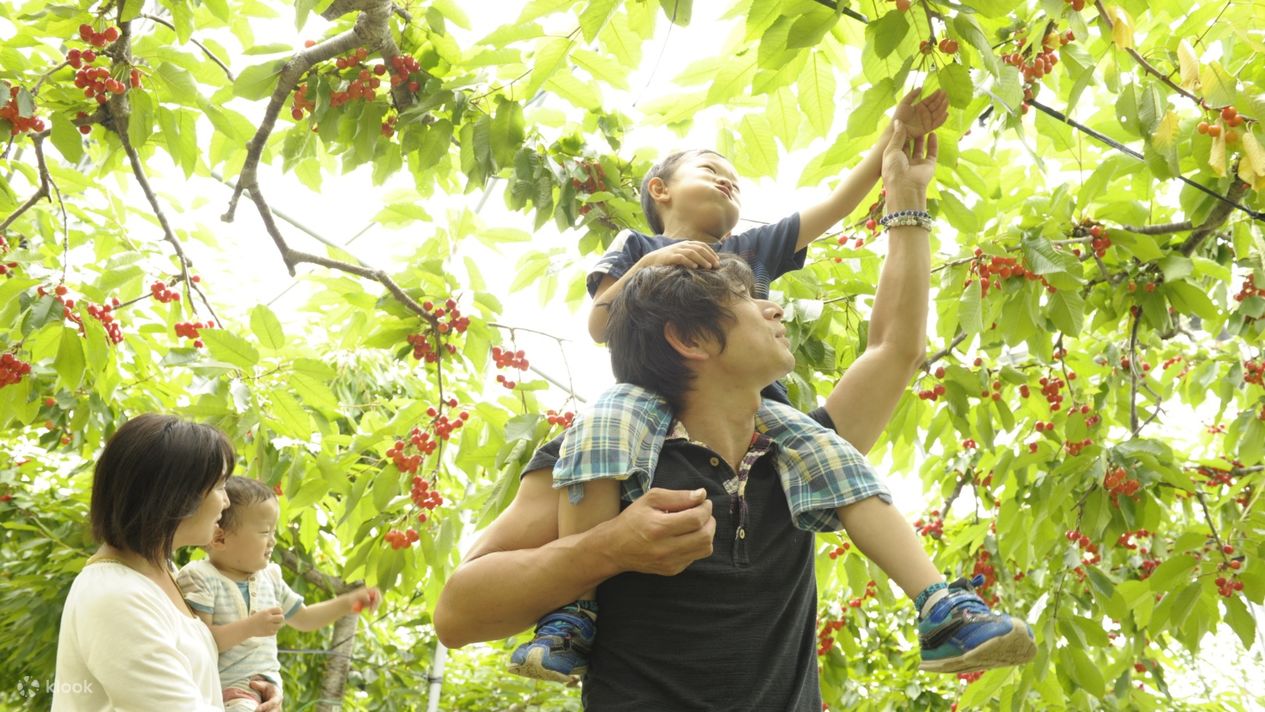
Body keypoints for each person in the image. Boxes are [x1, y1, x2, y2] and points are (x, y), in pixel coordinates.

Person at [436, 121, 1034, 708]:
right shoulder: (601, 456)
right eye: (749, 299)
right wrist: (609, 549)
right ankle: (574, 618)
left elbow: (896, 348)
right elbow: (457, 615)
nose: (775, 309)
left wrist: (905, 197)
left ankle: (940, 608)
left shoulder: (807, 458)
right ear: (690, 339)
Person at [53, 413, 282, 711]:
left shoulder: (161, 573)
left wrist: (253, 693)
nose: (225, 502)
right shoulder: (116, 598)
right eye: (219, 487)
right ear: (177, 497)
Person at [177, 476, 380, 712]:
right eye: (265, 532)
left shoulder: (270, 578)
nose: (272, 540)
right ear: (220, 538)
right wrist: (250, 627)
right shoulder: (200, 578)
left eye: (273, 531)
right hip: (225, 693)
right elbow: (201, 644)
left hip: (268, 693)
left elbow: (304, 619)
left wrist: (347, 603)